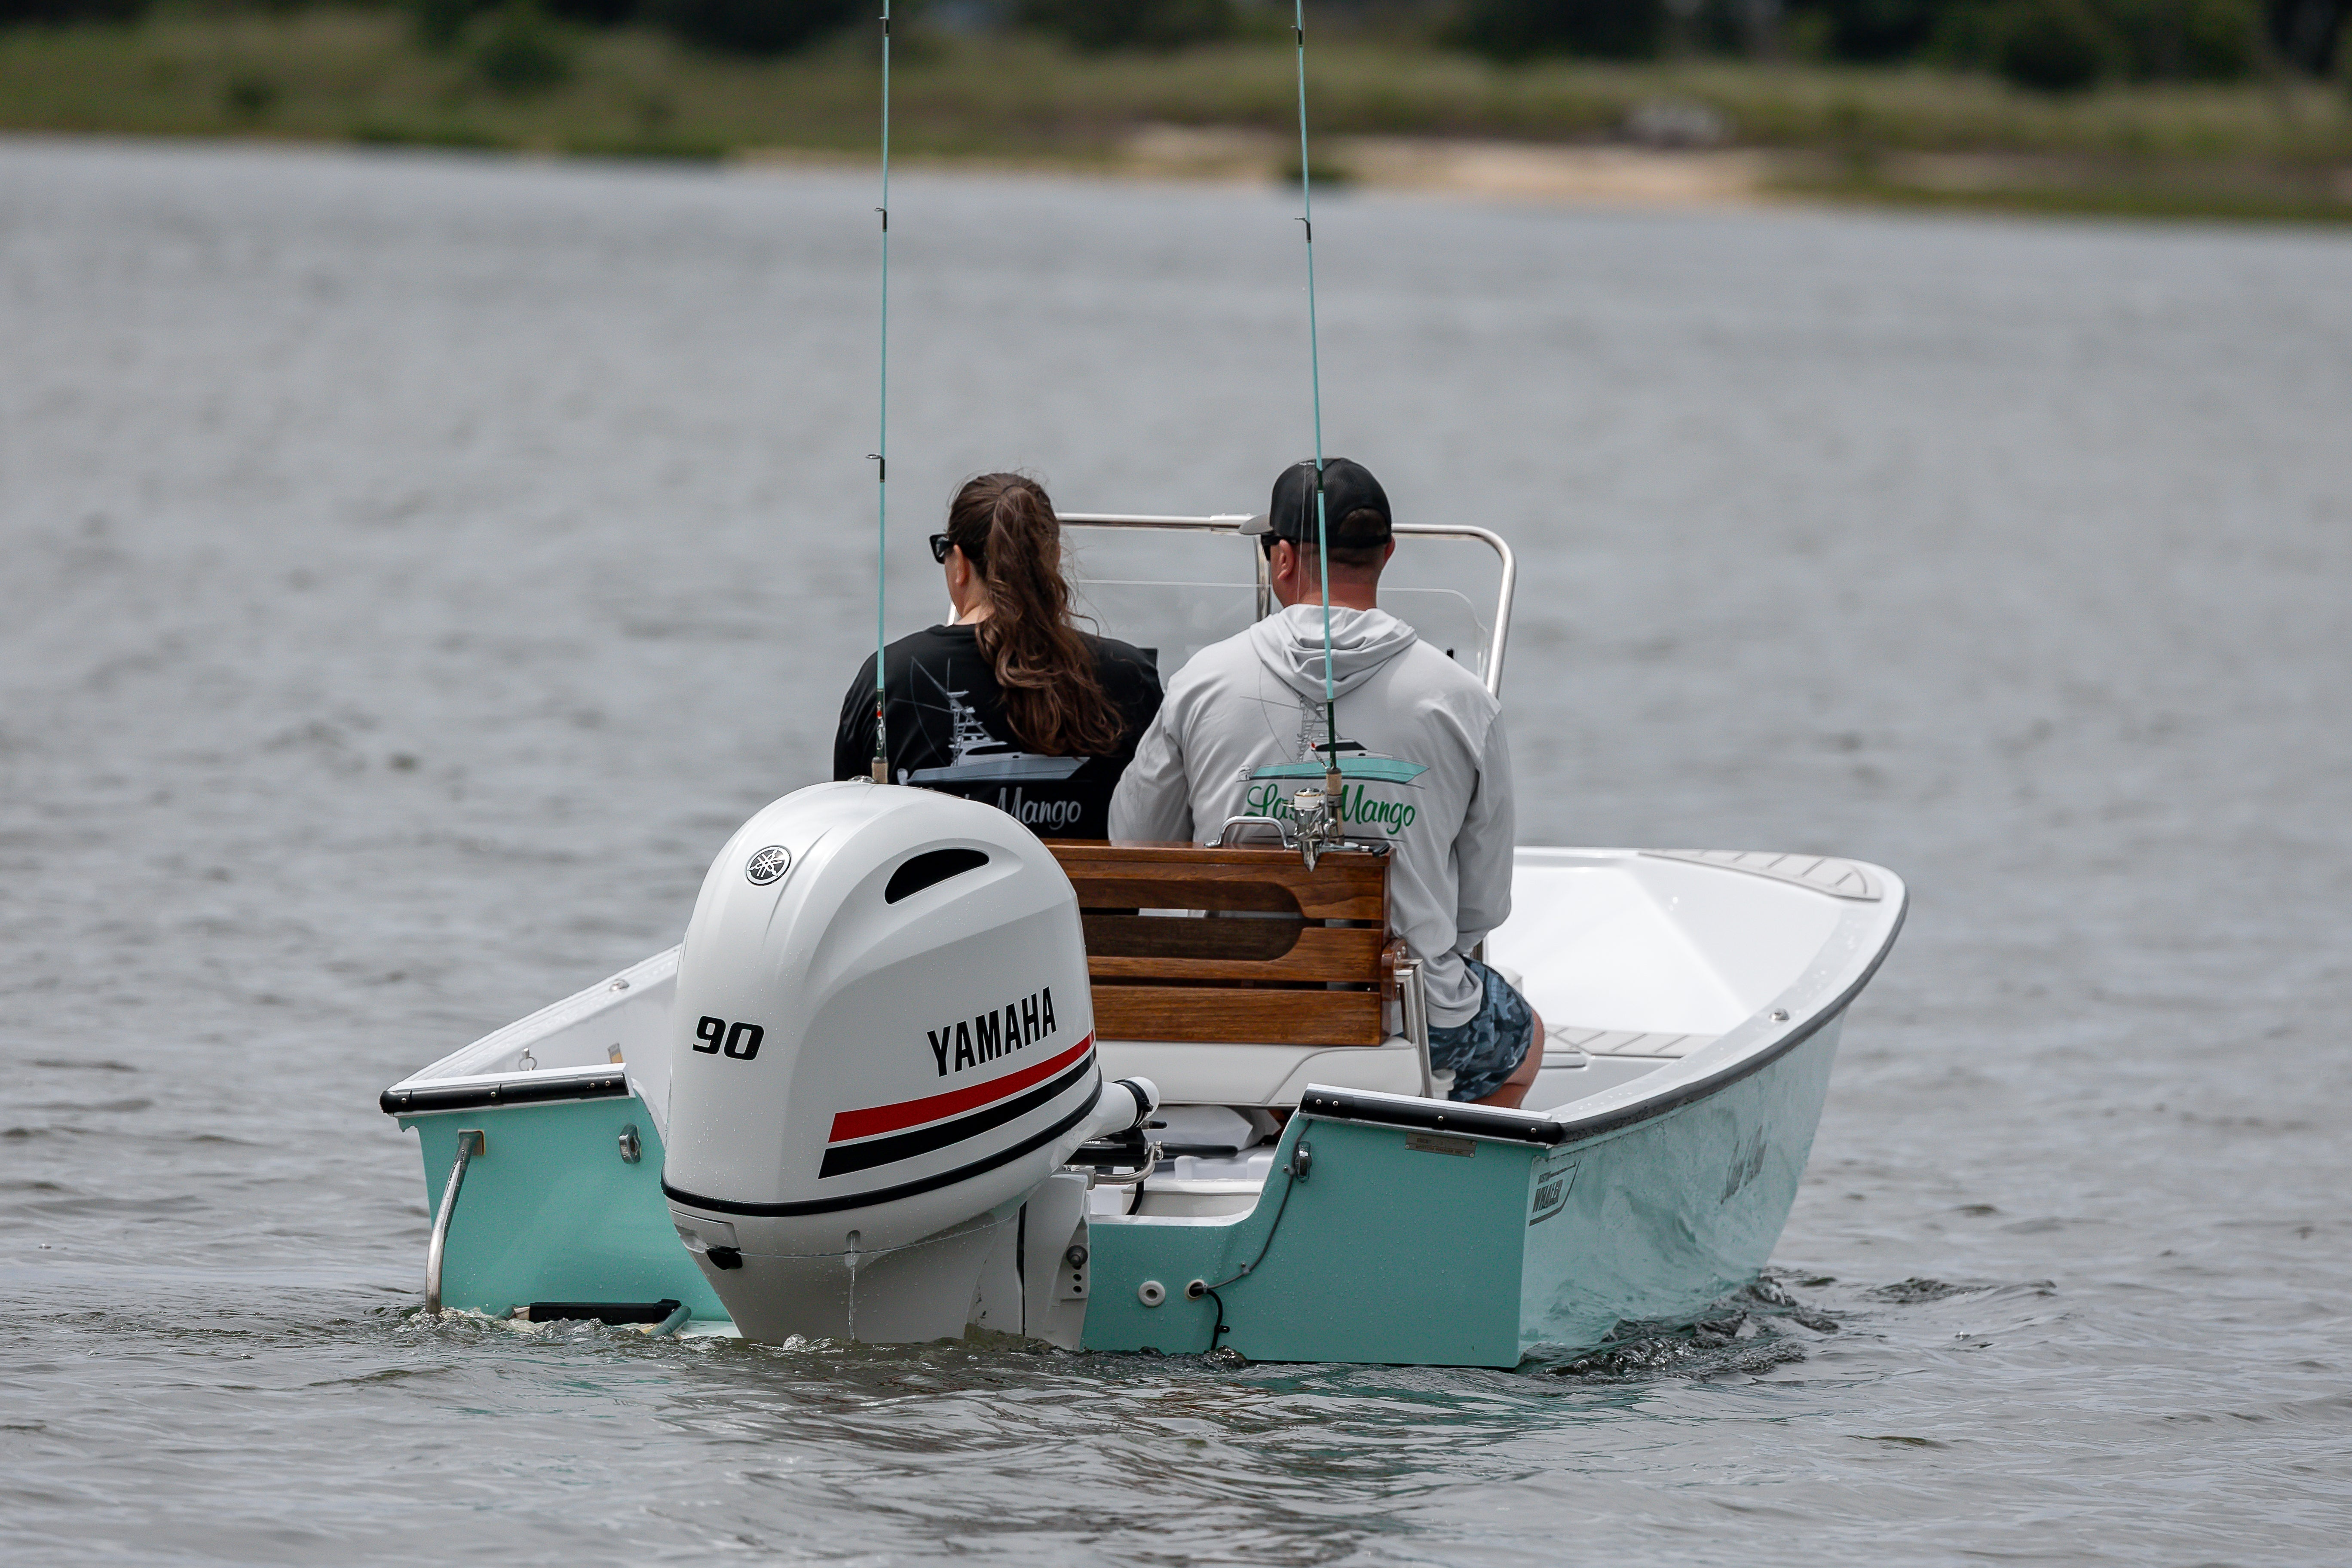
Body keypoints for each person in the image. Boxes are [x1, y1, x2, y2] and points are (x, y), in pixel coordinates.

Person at [1107, 458, 1543, 1108]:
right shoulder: (1462, 701)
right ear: (1388, 553)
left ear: (1281, 559)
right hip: (1398, 1016)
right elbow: (1480, 908)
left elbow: (1135, 849)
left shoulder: (1204, 681)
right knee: (1525, 1040)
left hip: (1232, 1005)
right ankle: (1433, 1165)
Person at [835, 472, 1161, 839]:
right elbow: (1161, 820)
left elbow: (846, 828)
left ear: (958, 564)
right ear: (1052, 558)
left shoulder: (886, 677)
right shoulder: (1130, 675)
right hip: (1085, 899)